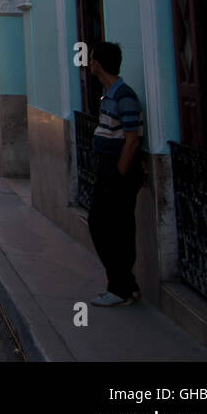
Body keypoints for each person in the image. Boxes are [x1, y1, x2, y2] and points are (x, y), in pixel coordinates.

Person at [87, 42, 145, 307]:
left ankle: (119, 288)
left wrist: (119, 174)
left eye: (91, 59)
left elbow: (132, 140)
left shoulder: (124, 96)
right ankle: (126, 285)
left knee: (112, 228)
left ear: (98, 64)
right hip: (108, 167)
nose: (88, 64)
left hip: (118, 169)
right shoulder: (109, 92)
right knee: (104, 225)